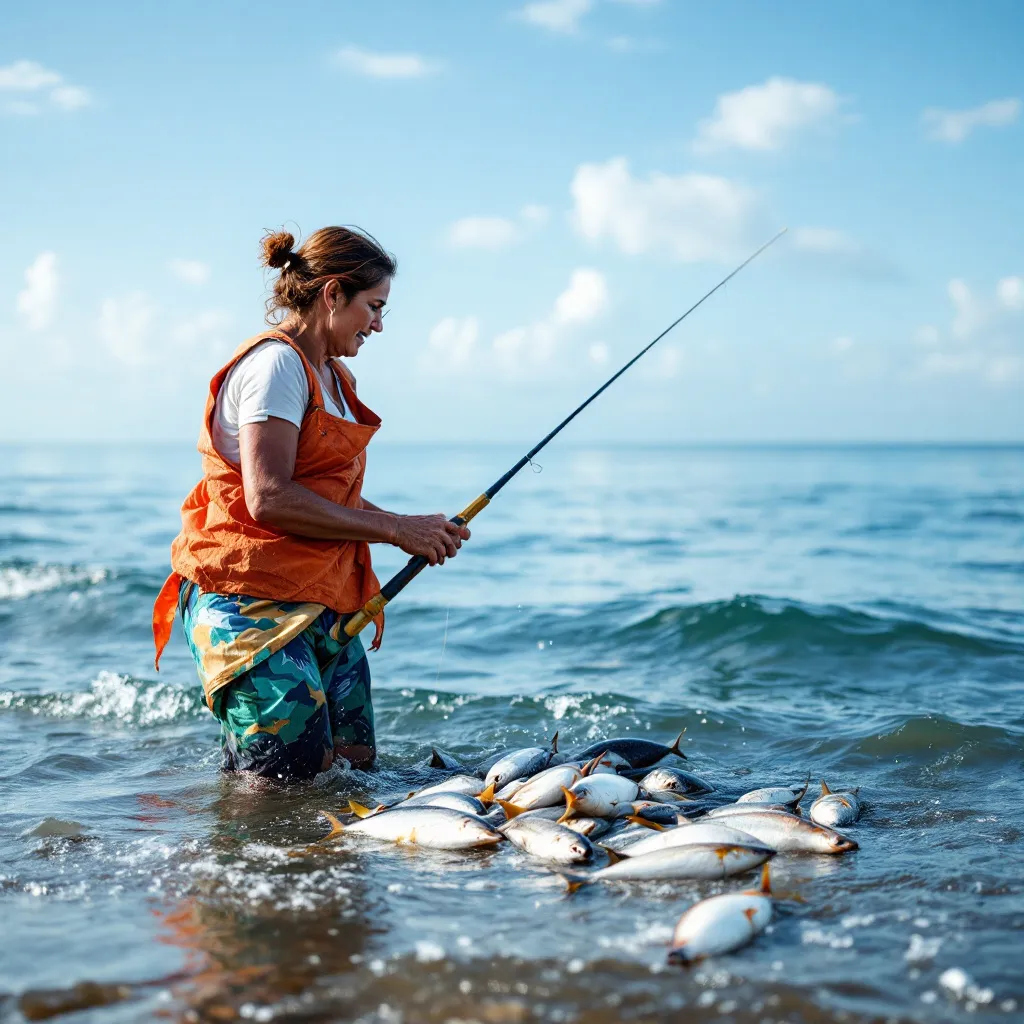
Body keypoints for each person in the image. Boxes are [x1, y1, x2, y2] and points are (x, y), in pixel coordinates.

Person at [152, 226, 470, 781]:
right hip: (248, 604)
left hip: (320, 603)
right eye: (373, 307)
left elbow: (327, 494)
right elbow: (270, 497)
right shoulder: (276, 367)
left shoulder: (334, 376)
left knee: (354, 771)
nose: (377, 324)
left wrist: (418, 527)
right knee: (285, 786)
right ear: (331, 295)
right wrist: (395, 530)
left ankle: (334, 870)